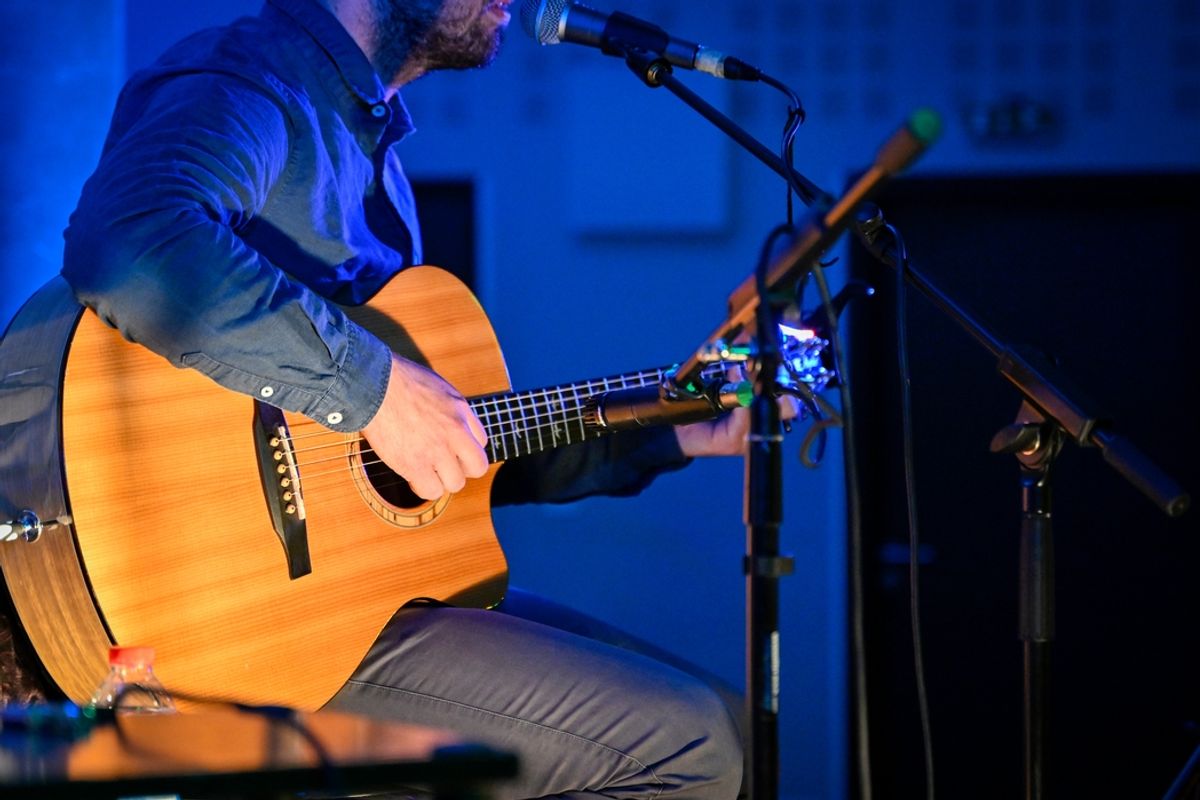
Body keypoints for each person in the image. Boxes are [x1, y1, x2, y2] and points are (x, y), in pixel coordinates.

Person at [60, 0, 751, 796]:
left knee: (731, 723)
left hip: (360, 608)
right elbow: (131, 241)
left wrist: (675, 427)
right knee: (691, 748)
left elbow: (439, 461)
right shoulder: (252, 81)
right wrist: (376, 388)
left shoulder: (374, 151)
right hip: (234, 624)